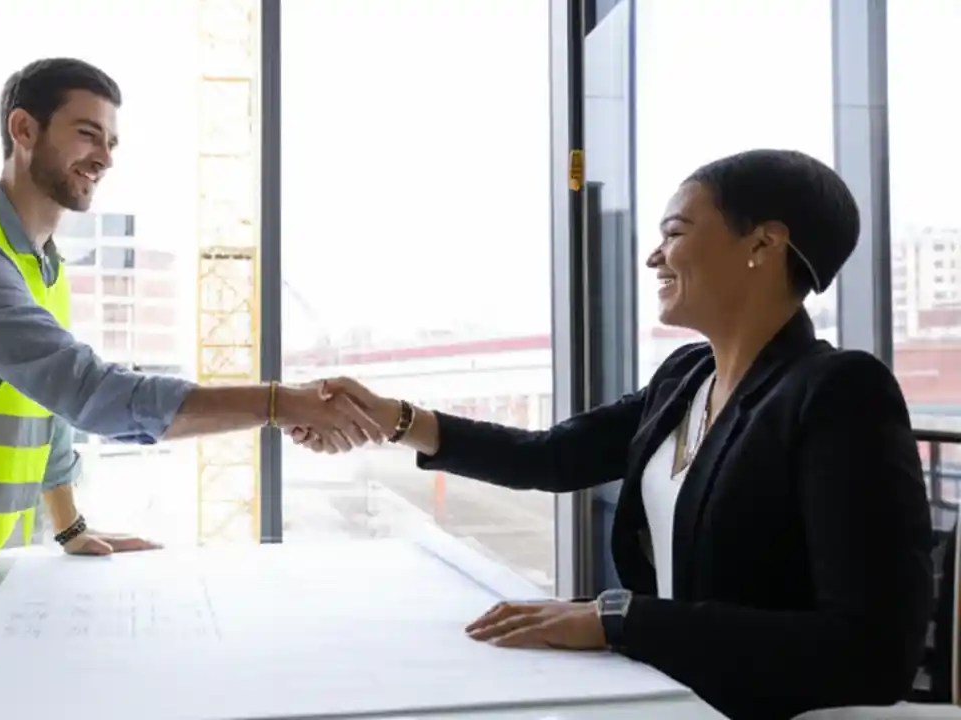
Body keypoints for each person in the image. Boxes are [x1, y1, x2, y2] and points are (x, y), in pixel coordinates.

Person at [289, 149, 933, 720]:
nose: (654, 256)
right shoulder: (686, 377)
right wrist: (392, 419)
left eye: (675, 233)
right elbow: (551, 457)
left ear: (762, 246)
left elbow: (872, 651)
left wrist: (617, 619)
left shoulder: (839, 392)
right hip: (670, 694)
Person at [0, 57, 384, 624]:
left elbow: (46, 411)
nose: (105, 159)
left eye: (112, 143)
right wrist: (277, 403)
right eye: (88, 135)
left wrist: (68, 527)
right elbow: (91, 395)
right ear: (23, 129)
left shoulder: (40, 265)